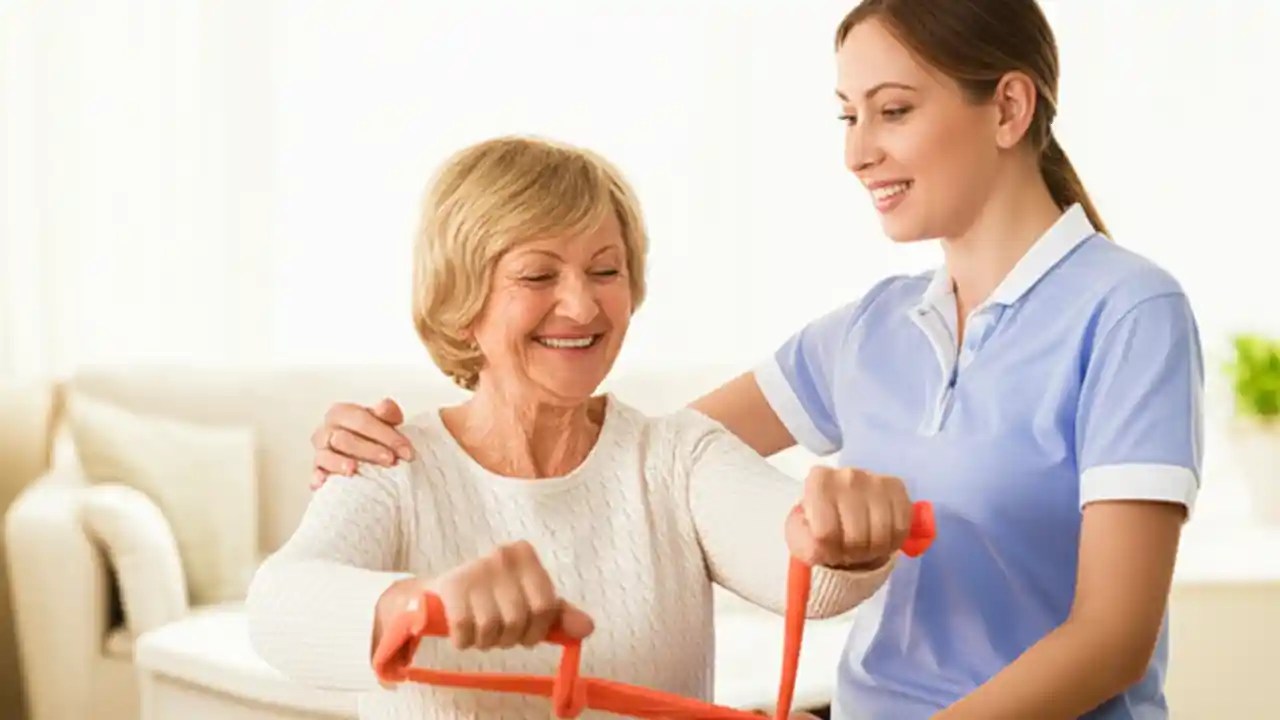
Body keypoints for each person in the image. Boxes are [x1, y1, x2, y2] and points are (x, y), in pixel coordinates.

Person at [309, 1, 1204, 718]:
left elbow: (1112, 639)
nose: (857, 151)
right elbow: (638, 464)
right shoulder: (870, 330)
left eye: (893, 110)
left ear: (1008, 107)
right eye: (849, 115)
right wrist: (400, 446)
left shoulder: (1128, 311)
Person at [247, 135, 912, 720]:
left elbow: (812, 573)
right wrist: (421, 604)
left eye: (605, 270)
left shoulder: (675, 456)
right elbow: (279, 608)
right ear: (462, 299)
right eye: (538, 274)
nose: (582, 303)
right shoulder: (393, 463)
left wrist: (846, 529)